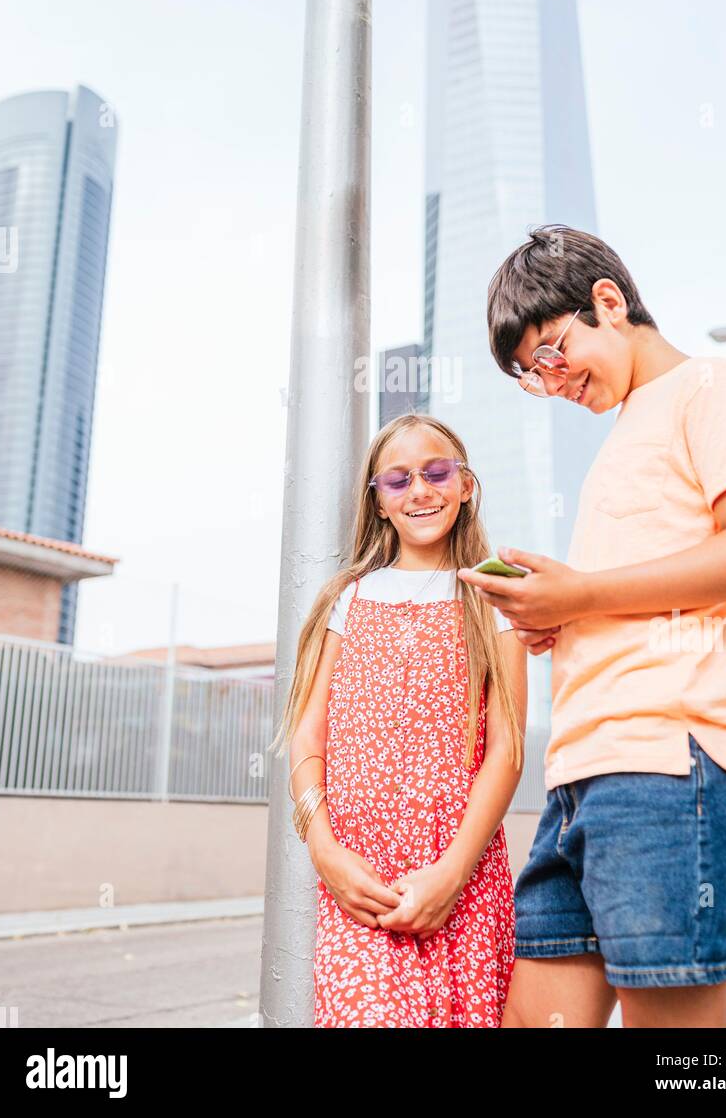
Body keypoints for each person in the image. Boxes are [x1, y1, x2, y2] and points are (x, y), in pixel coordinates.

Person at [458, 224, 726, 1029]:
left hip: (668, 761)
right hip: (580, 777)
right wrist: (559, 618)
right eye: (531, 377)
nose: (551, 380)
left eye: (549, 353)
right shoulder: (623, 436)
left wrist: (580, 597)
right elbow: (629, 599)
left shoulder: (708, 387)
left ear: (606, 302)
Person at [270, 414, 527, 1027]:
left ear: (466, 484)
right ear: (378, 502)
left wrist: (451, 873)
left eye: (437, 472)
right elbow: (307, 738)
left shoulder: (497, 593)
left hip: (462, 886)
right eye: (397, 480)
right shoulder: (347, 598)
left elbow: (507, 750)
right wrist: (325, 850)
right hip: (363, 894)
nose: (420, 491)